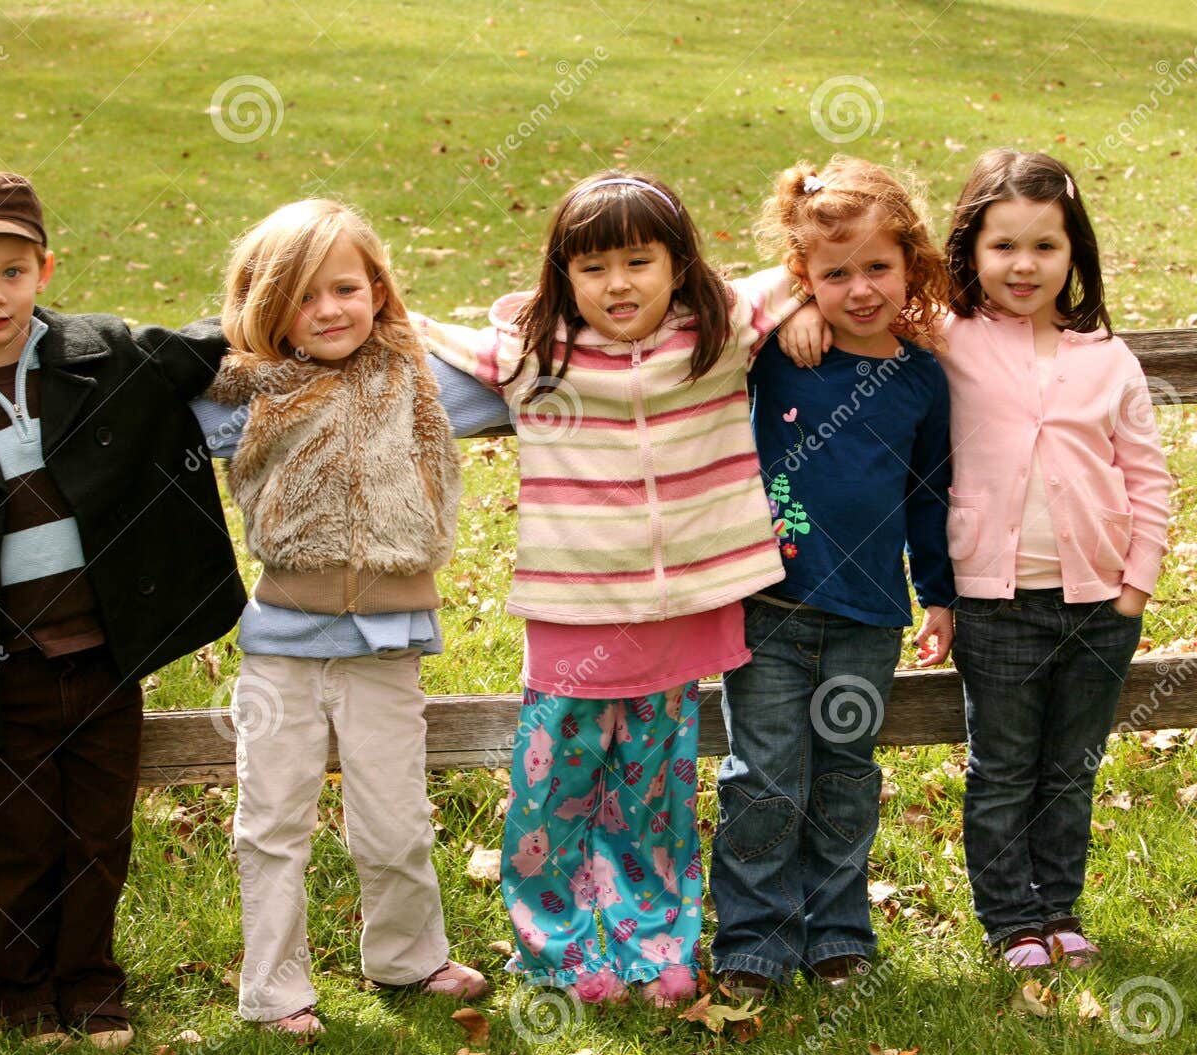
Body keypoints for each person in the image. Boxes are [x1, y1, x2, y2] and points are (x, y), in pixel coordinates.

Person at [0, 171, 246, 1046]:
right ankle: (19, 991)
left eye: (12, 271)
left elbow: (217, 345)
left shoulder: (105, 356)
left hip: (106, 654)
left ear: (44, 269)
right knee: (13, 841)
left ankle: (92, 984)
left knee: (100, 833)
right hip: (1, 672)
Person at [780, 150, 1172, 970]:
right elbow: (850, 284)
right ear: (969, 252)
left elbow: (1148, 477)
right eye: (1002, 247)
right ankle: (1009, 924)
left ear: (1075, 256)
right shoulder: (943, 337)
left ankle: (1059, 910)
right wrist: (792, 309)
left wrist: (1135, 589)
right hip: (994, 601)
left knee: (1070, 769)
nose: (1023, 266)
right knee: (1001, 769)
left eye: (1044, 247)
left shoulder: (1107, 357)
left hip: (1101, 606)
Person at [420, 171, 799, 1005]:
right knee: (555, 787)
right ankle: (556, 949)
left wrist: (806, 292)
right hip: (575, 611)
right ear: (564, 279)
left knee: (654, 786)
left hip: (678, 611)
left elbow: (805, 267)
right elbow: (426, 334)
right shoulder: (536, 357)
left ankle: (653, 944)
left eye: (639, 261)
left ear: (679, 265)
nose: (618, 285)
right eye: (593, 269)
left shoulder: (720, 333)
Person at [199, 199, 487, 1039]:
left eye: (346, 288)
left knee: (394, 816)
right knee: (271, 820)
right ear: (264, 306)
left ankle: (407, 956)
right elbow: (145, 399)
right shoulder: (240, 396)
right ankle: (275, 991)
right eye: (301, 296)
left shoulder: (420, 380)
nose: (328, 311)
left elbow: (528, 365)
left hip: (386, 647)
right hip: (281, 649)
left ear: (379, 290)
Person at [711, 157, 953, 1001]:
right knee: (764, 776)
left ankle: (838, 929)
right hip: (768, 607)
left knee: (846, 775)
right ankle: (753, 938)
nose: (859, 289)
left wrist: (942, 596)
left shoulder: (923, 380)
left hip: (869, 615)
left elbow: (929, 498)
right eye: (834, 273)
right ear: (803, 275)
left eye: (877, 267)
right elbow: (713, 305)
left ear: (911, 267)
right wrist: (789, 307)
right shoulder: (773, 356)